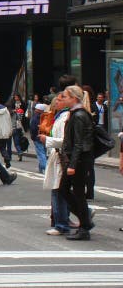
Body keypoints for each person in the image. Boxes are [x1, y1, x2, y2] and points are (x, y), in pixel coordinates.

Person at [59, 85, 96, 240]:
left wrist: (72, 165)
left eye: (66, 97)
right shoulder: (75, 114)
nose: (63, 99)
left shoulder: (80, 115)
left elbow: (79, 143)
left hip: (79, 160)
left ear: (74, 98)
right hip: (77, 159)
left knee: (76, 193)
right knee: (65, 190)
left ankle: (84, 227)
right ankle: (85, 221)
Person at [40, 92, 71, 235]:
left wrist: (47, 140)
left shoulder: (65, 117)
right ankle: (62, 221)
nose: (56, 103)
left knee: (58, 190)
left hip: (61, 157)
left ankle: (61, 224)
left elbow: (65, 140)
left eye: (60, 100)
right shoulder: (59, 117)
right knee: (58, 190)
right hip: (56, 156)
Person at [30, 103, 48, 173]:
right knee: (44, 152)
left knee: (41, 153)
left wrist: (33, 137)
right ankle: (41, 168)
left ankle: (45, 168)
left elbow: (33, 128)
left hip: (37, 138)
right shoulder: (46, 117)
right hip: (45, 137)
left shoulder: (35, 118)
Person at [9, 93, 28, 162]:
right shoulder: (18, 111)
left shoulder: (15, 113)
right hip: (20, 128)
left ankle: (20, 151)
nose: (16, 98)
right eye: (15, 97)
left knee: (17, 142)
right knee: (18, 140)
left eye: (17, 97)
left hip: (16, 128)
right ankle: (20, 151)